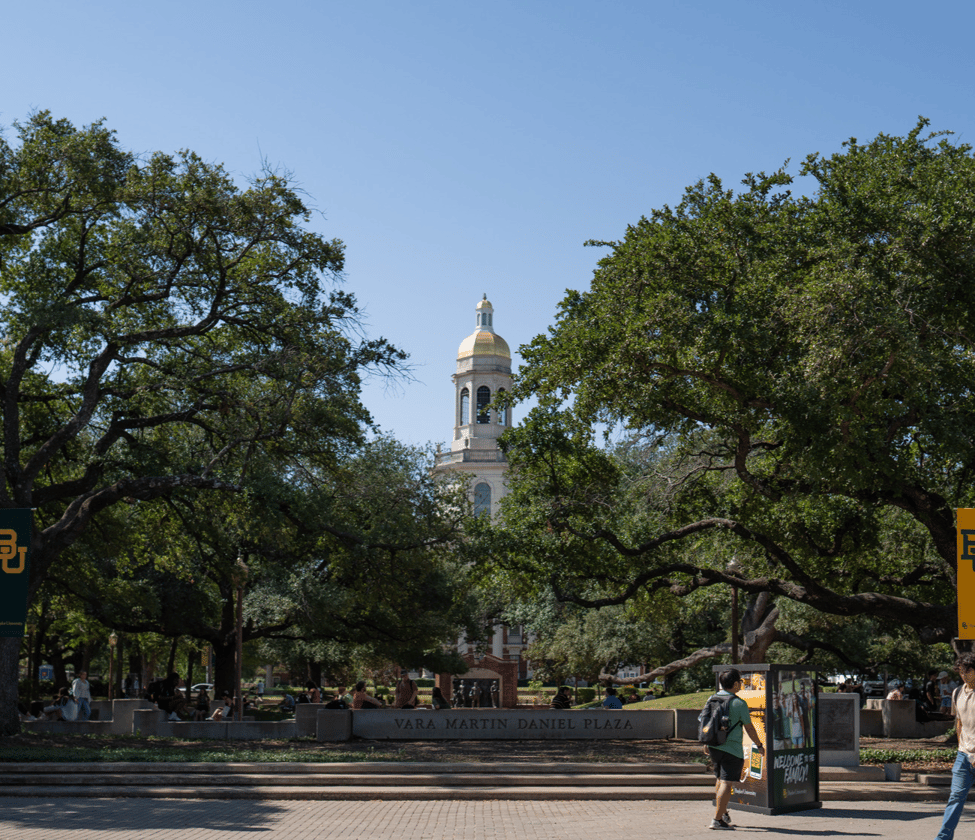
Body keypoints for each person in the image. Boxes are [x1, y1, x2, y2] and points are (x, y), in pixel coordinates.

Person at [707, 668, 765, 831]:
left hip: (714, 746)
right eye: (740, 681)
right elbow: (750, 728)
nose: (741, 684)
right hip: (731, 748)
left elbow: (706, 723)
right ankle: (717, 820)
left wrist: (706, 742)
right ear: (734, 684)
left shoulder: (712, 698)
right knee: (726, 781)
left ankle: (723, 812)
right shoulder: (739, 703)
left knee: (719, 778)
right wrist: (759, 745)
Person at [934, 654, 975, 839]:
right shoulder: (957, 692)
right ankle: (943, 837)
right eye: (961, 671)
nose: (964, 675)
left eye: (968, 671)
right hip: (964, 755)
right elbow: (958, 723)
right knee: (955, 797)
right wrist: (962, 746)